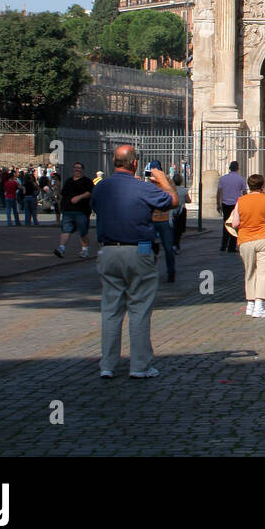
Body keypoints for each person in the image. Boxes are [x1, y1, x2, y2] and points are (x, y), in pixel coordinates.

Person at [91, 144, 177, 379]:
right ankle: (139, 366)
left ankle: (107, 365)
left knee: (110, 310)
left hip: (108, 250)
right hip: (140, 248)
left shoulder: (101, 188)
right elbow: (173, 201)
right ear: (136, 163)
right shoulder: (142, 187)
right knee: (139, 309)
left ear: (113, 161)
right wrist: (163, 179)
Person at [226, 173, 265, 318]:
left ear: (248, 186)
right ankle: (259, 305)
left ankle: (250, 305)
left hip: (245, 240)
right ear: (262, 186)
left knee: (250, 271)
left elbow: (235, 223)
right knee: (263, 273)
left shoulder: (241, 201)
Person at [55, 162, 95, 258]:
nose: (77, 169)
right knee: (65, 230)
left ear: (82, 170)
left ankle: (84, 250)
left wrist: (79, 197)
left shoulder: (87, 181)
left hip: (81, 211)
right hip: (68, 211)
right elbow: (63, 194)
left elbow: (90, 192)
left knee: (82, 231)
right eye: (75, 167)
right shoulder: (68, 181)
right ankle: (61, 248)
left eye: (79, 168)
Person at [216, 161, 246, 253]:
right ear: (237, 168)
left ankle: (223, 245)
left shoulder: (223, 178)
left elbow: (219, 192)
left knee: (225, 224)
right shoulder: (240, 179)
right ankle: (231, 246)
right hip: (236, 205)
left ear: (229, 168)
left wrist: (218, 203)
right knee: (235, 224)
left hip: (225, 203)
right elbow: (244, 193)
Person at [170, 171, 189, 251]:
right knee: (179, 230)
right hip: (181, 210)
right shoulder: (184, 190)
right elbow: (188, 200)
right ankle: (176, 245)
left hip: (172, 210)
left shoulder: (171, 189)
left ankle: (172, 244)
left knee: (172, 228)